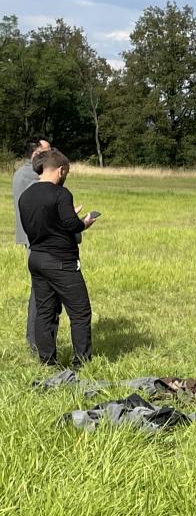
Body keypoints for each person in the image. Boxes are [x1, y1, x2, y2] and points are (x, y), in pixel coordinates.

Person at [17, 148, 97, 368]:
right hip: (61, 262)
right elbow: (71, 225)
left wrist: (65, 214)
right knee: (80, 312)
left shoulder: (26, 196)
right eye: (67, 172)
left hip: (36, 259)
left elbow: (38, 223)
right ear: (61, 170)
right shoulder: (61, 194)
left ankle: (47, 361)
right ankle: (81, 362)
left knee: (45, 312)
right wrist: (84, 222)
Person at [12, 136, 52, 350]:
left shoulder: (25, 173)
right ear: (36, 153)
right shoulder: (30, 175)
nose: (52, 153)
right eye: (48, 150)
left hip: (35, 238)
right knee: (41, 293)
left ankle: (36, 340)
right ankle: (36, 342)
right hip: (37, 240)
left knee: (40, 291)